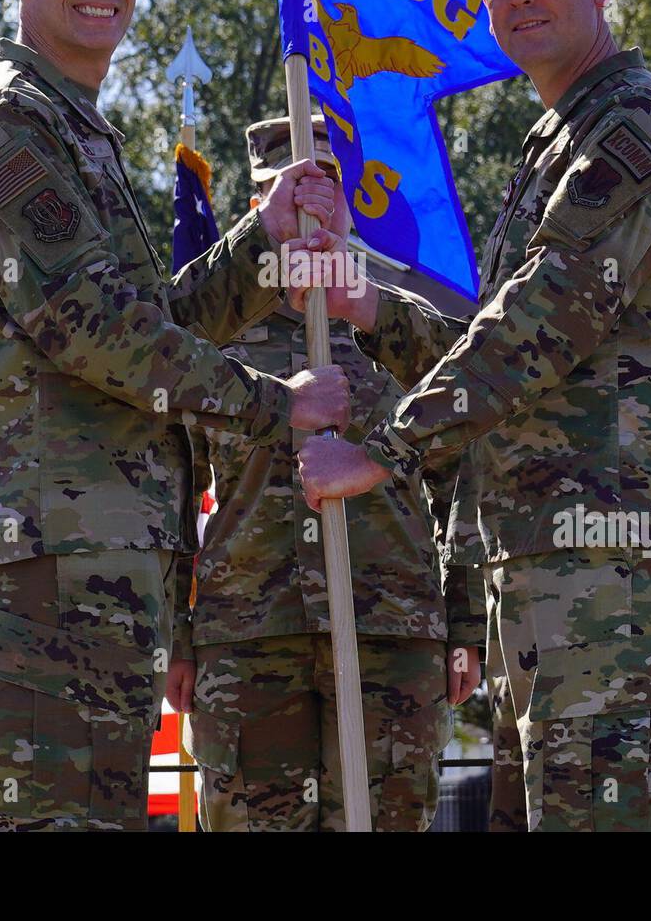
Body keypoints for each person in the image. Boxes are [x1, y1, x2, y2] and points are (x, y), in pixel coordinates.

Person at [0, 0, 348, 831]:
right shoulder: (7, 125)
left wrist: (261, 241)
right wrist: (280, 404)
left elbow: (148, 320)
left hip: (103, 542)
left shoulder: (72, 126)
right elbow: (96, 331)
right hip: (52, 542)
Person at [297, 0, 651, 832]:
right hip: (545, 564)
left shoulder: (636, 129)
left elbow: (546, 320)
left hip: (610, 566)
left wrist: (384, 449)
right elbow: (502, 342)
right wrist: (371, 307)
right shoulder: (563, 138)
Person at [165, 116, 484, 832]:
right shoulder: (211, 326)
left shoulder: (396, 319)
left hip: (389, 627)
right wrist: (174, 637)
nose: (312, 207)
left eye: (326, 189)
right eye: (290, 189)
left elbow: (462, 462)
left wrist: (465, 623)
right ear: (258, 205)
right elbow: (174, 485)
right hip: (248, 631)